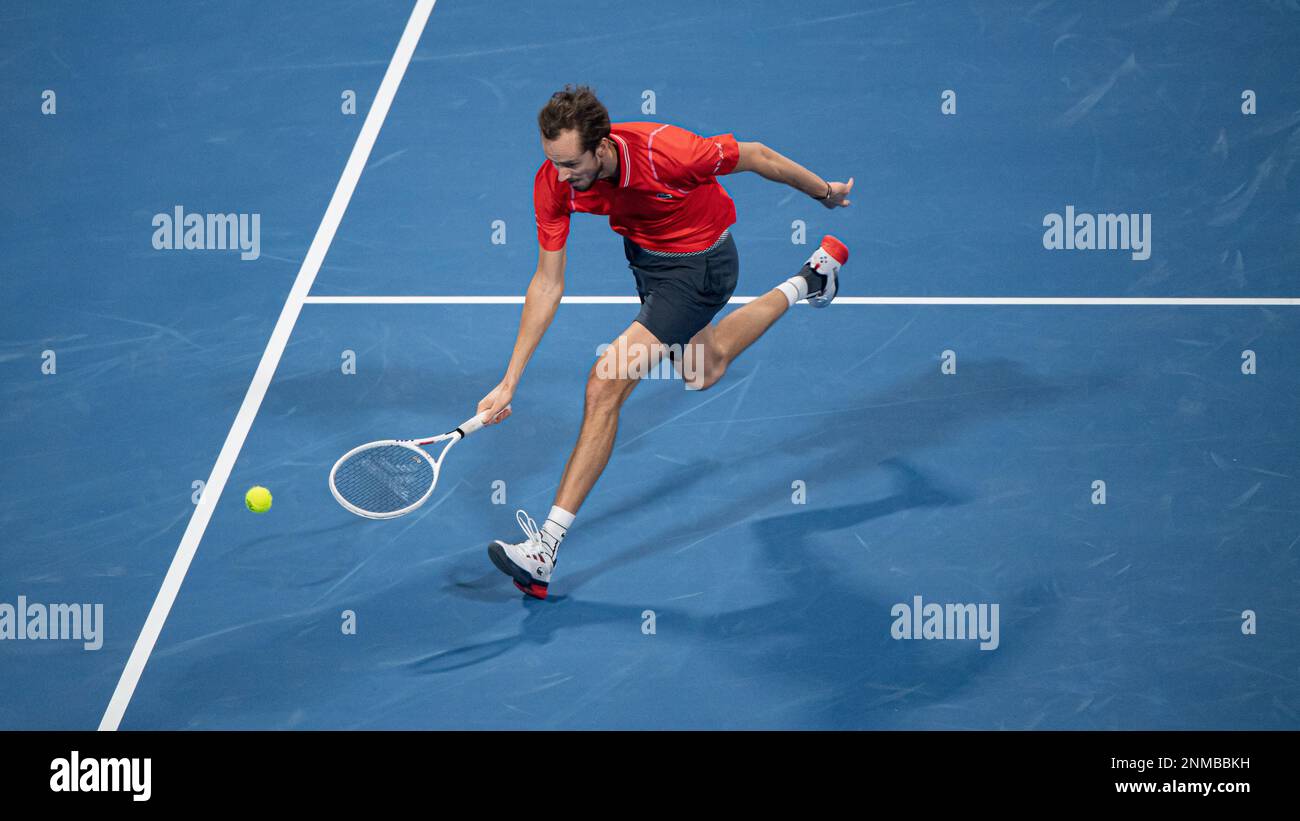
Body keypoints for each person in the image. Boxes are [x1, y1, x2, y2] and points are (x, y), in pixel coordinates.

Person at [479, 84, 853, 599]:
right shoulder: (554, 181)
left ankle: (545, 549)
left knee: (605, 382)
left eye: (570, 163)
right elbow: (547, 283)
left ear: (602, 145)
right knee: (704, 369)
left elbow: (758, 155)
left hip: (702, 268)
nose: (561, 176)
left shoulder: (668, 151)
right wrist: (510, 380)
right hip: (648, 262)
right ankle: (812, 278)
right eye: (552, 162)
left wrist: (824, 193)